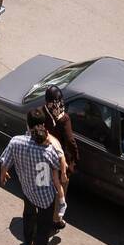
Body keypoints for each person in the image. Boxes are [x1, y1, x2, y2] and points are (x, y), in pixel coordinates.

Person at [0, 112, 61, 245]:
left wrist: (3, 174)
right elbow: (56, 174)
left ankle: (27, 239)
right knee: (43, 234)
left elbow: (5, 161)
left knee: (28, 212)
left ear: (27, 125)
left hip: (27, 188)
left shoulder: (16, 142)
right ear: (43, 126)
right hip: (45, 197)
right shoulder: (49, 150)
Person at [41, 86, 78, 232]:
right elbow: (70, 142)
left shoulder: (41, 111)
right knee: (60, 191)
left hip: (43, 158)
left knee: (43, 186)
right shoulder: (63, 118)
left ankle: (43, 213)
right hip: (58, 162)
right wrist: (75, 158)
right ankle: (56, 220)